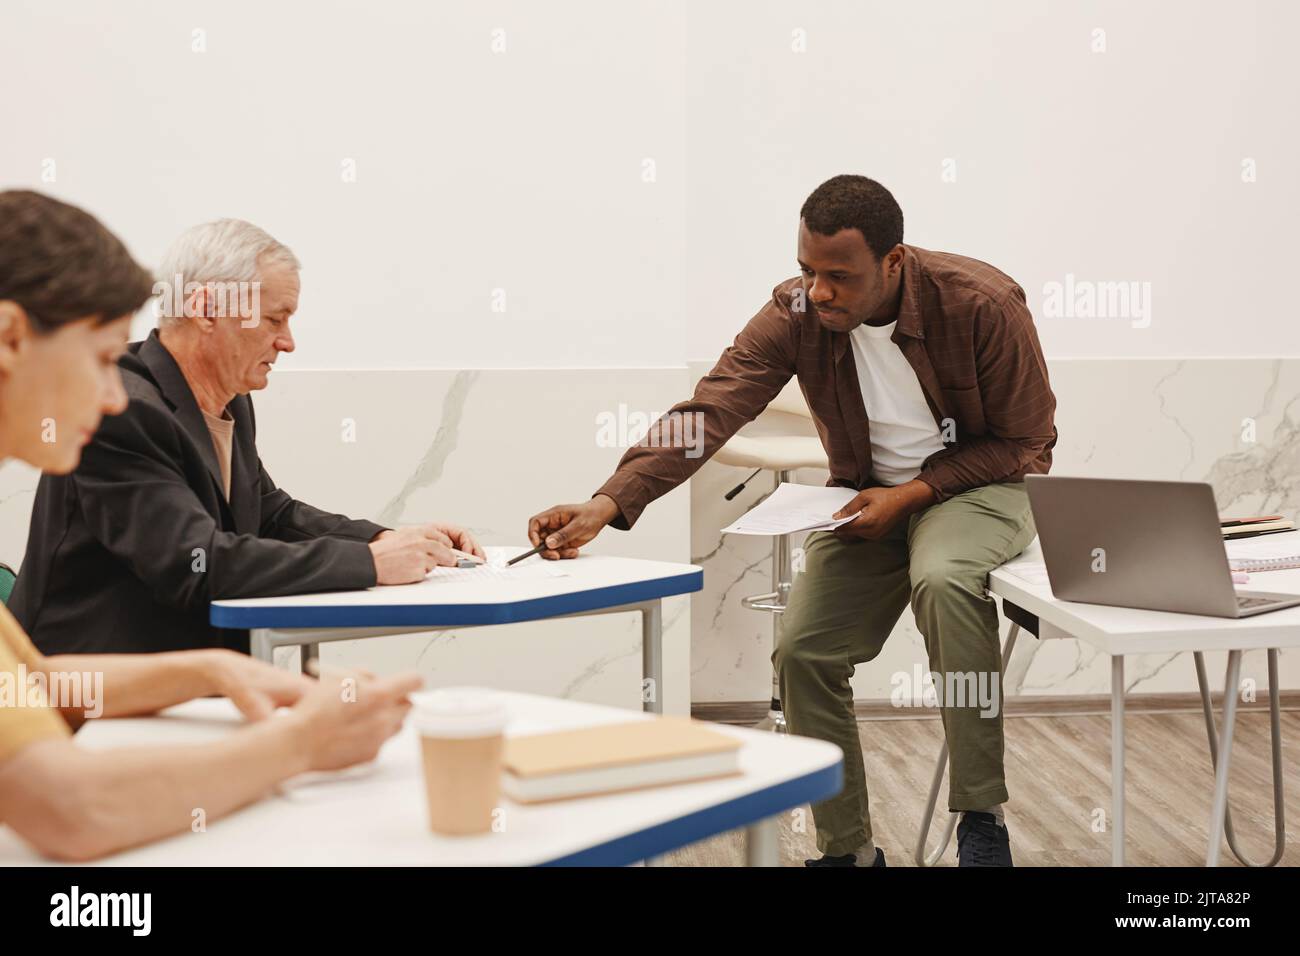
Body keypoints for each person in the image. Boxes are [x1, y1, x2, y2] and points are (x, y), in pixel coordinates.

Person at [527, 175, 1057, 867]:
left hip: (979, 488)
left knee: (944, 579)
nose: (820, 290)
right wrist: (611, 498)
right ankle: (848, 852)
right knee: (803, 651)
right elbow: (712, 408)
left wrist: (914, 493)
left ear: (893, 262)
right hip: (866, 499)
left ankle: (981, 818)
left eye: (840, 275)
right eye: (808, 269)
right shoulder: (798, 311)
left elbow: (1028, 444)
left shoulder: (982, 304)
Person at [0, 189, 421, 860]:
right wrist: (305, 743)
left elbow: (31, 683)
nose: (111, 394)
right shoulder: (132, 411)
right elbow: (72, 810)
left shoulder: (225, 401)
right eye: (102, 358)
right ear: (12, 337)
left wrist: (214, 673)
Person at [11, 217, 483, 655]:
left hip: (189, 674)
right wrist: (370, 563)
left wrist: (388, 539)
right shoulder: (125, 409)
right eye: (275, 319)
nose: (288, 341)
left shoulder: (228, 398)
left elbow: (269, 514)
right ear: (206, 309)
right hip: (80, 692)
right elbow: (194, 562)